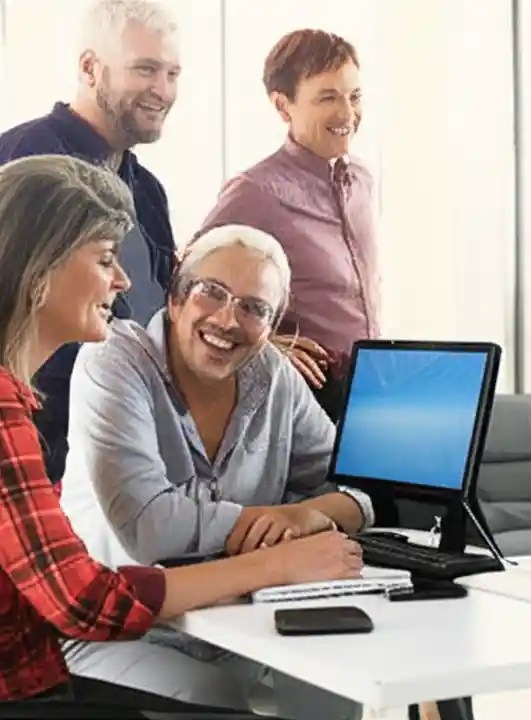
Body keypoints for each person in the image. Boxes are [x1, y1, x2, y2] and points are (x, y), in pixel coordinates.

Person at [0, 154, 363, 715]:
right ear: (39, 267)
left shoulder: (15, 404)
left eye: (254, 309)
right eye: (104, 259)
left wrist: (305, 517)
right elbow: (89, 599)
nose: (122, 281)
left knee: (334, 676)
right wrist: (280, 557)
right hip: (57, 675)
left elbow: (354, 481)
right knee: (218, 699)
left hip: (98, 657)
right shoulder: (37, 395)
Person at [0, 0, 182, 483]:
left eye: (172, 73)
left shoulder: (147, 188)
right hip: (39, 437)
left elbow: (162, 309)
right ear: (89, 68)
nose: (162, 90)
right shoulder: (28, 161)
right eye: (145, 69)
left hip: (124, 437)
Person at [196, 28, 379, 422]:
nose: (347, 114)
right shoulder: (256, 192)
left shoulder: (362, 180)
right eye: (328, 97)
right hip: (307, 396)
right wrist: (265, 344)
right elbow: (186, 283)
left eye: (354, 96)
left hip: (369, 389)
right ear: (283, 106)